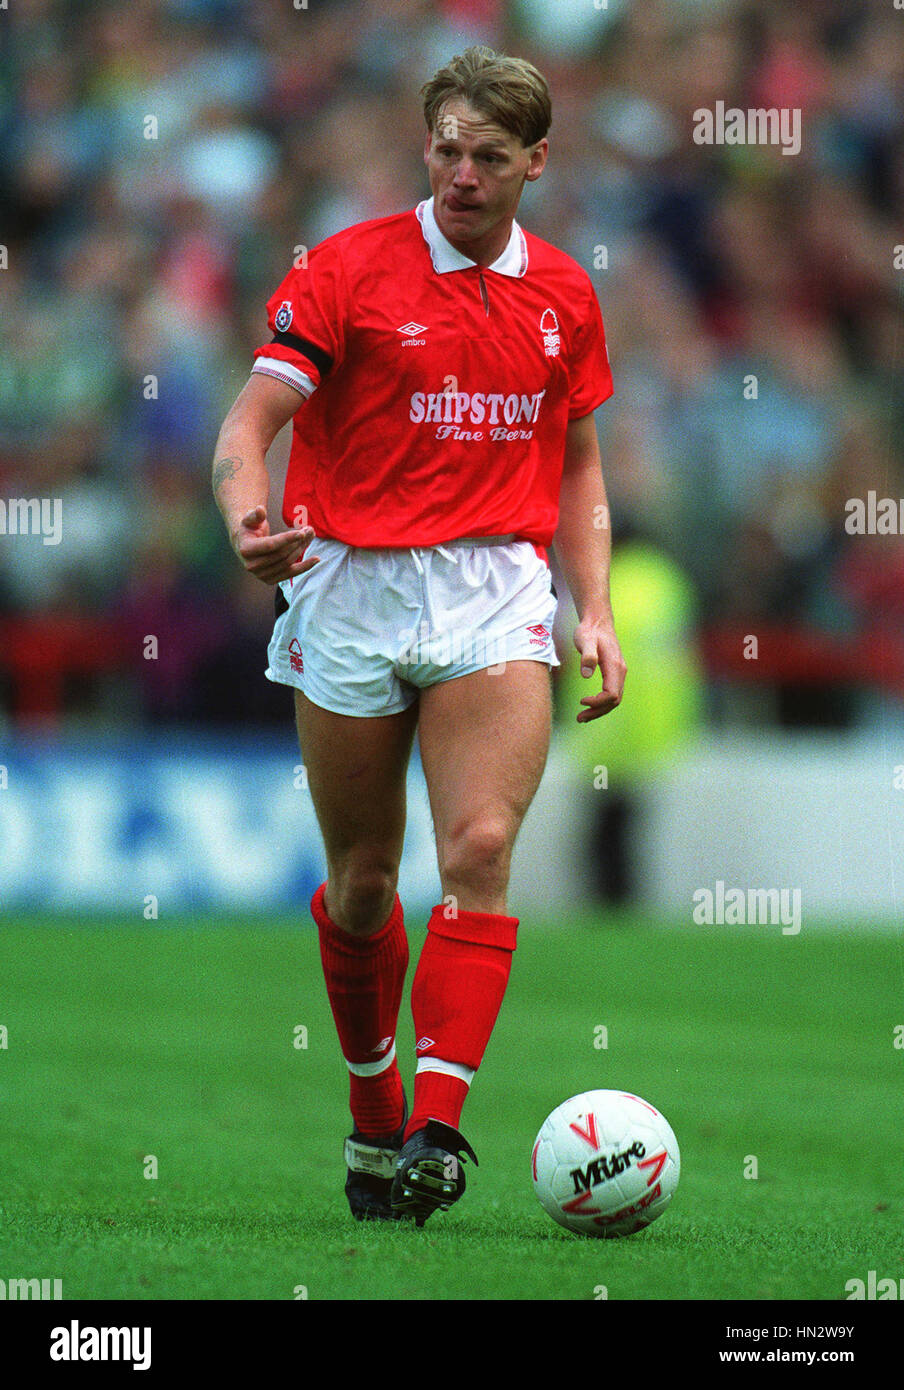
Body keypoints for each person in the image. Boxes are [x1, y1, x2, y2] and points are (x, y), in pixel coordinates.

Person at [211, 46, 626, 1227]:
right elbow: (255, 418)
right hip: (351, 588)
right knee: (361, 885)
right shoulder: (345, 270)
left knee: (482, 845)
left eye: (488, 156)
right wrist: (248, 512)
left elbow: (581, 456)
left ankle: (439, 1128)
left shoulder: (565, 296)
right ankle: (374, 1109)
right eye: (445, 149)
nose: (460, 174)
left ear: (535, 162)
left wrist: (589, 604)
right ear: (425, 145)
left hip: (494, 587)